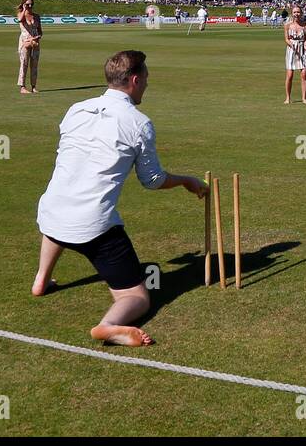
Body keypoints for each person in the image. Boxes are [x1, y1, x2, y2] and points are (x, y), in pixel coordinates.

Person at [31, 50, 207, 347]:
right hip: (94, 227)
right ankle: (109, 325)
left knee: (61, 215)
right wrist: (186, 181)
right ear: (135, 80)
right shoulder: (139, 122)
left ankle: (41, 280)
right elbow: (152, 181)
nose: (147, 86)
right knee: (137, 296)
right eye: (146, 79)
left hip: (50, 210)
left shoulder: (76, 109)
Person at [284, 3, 306, 104]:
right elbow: (286, 39)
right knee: (290, 75)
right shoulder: (287, 25)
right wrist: (291, 45)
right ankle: (288, 98)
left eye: (298, 12)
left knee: (304, 74)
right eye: (295, 12)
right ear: (292, 13)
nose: (296, 14)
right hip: (291, 50)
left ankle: (304, 98)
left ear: (301, 13)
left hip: (303, 50)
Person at [17, 0, 42, 93]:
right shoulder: (21, 14)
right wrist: (24, 9)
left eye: (31, 4)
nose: (30, 6)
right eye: (27, 4)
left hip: (35, 42)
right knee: (24, 64)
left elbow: (40, 31)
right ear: (24, 4)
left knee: (34, 65)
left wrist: (37, 37)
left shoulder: (36, 16)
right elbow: (20, 20)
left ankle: (33, 86)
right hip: (24, 41)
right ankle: (22, 87)